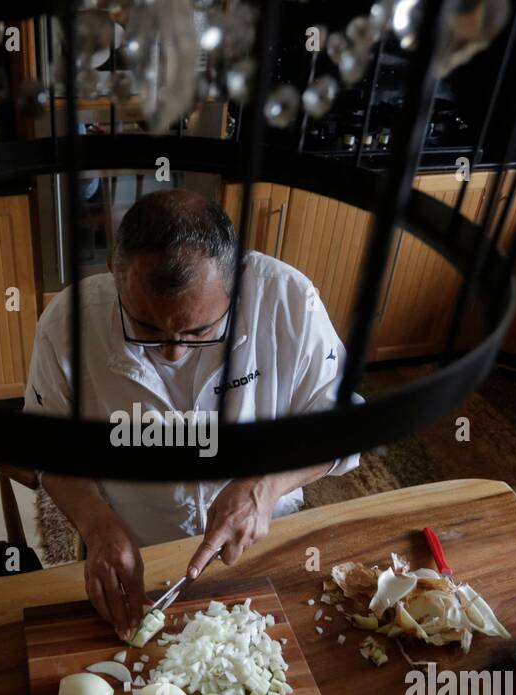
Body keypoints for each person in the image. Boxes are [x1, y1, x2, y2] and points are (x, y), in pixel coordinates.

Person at [24, 189, 359, 638]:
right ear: (113, 276)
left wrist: (266, 484)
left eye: (200, 329)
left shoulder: (290, 301)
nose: (173, 349)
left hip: (265, 537)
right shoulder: (67, 324)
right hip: (137, 547)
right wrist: (96, 524)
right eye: (145, 327)